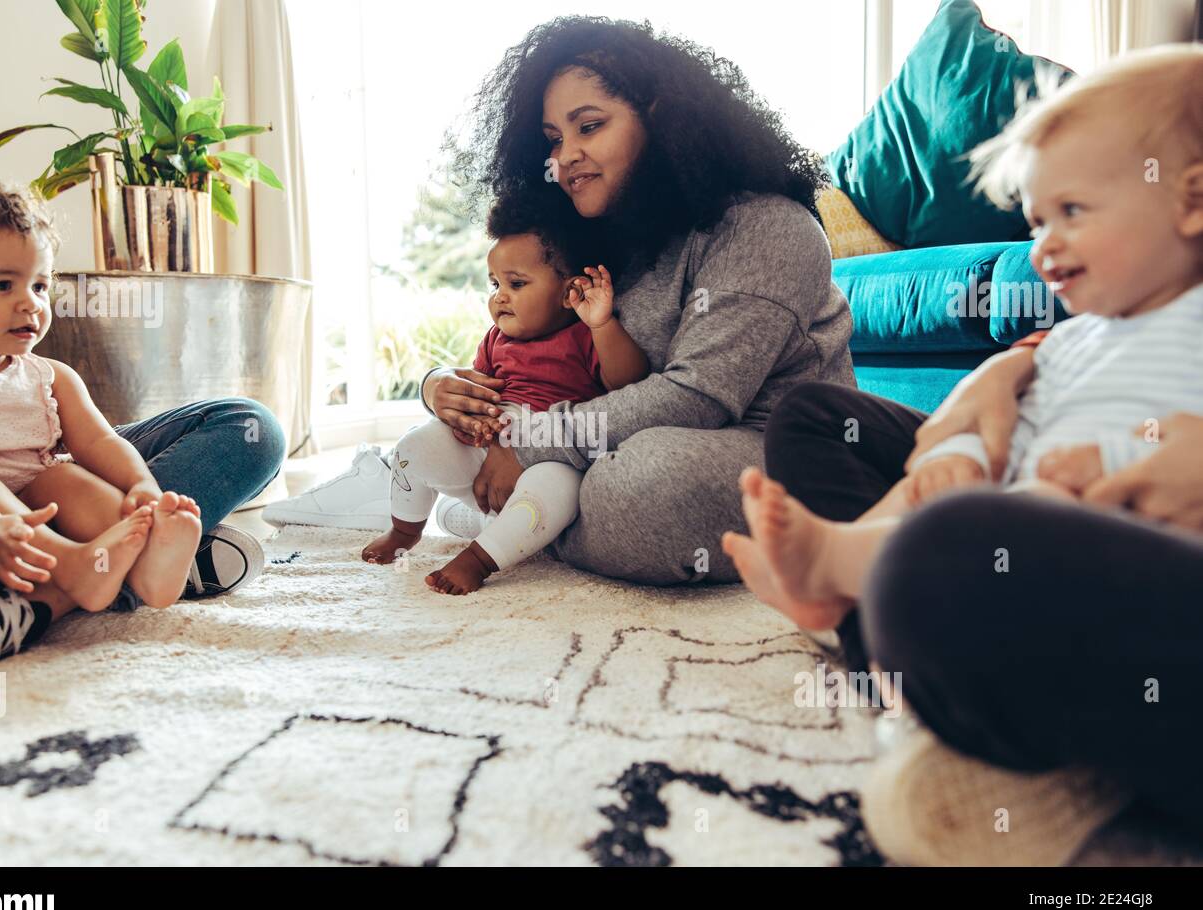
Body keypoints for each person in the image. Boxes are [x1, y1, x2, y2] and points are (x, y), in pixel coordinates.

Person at [755, 45, 1203, 865]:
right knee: (811, 418)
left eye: (1072, 211)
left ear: (1191, 199)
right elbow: (1008, 442)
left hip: (1119, 557)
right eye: (1034, 222)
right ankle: (919, 668)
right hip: (1038, 556)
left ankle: (881, 602)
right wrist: (962, 439)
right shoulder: (1073, 341)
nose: (1042, 247)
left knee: (947, 552)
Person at [267, 16, 855, 587]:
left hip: (767, 452)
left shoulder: (767, 226)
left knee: (642, 485)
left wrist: (523, 444)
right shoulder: (611, 235)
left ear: (662, 119)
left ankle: (481, 515)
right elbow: (529, 349)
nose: (565, 154)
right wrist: (438, 386)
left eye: (589, 126)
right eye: (553, 139)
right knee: (592, 472)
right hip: (614, 441)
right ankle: (475, 500)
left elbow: (696, 399)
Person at [0, 134, 284, 682]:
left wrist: (143, 492)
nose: (30, 304)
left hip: (42, 487)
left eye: (39, 284)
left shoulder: (51, 375)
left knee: (75, 480)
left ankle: (141, 564)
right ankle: (80, 572)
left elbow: (101, 442)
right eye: (3, 285)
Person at [362, 204, 648, 594]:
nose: (499, 298)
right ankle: (404, 529)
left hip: (549, 459)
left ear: (569, 293)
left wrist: (602, 323)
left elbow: (630, 382)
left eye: (516, 284)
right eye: (494, 284)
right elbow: (477, 394)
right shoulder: (495, 340)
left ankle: (479, 558)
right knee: (415, 443)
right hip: (485, 460)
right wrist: (469, 420)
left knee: (556, 487)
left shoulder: (585, 336)